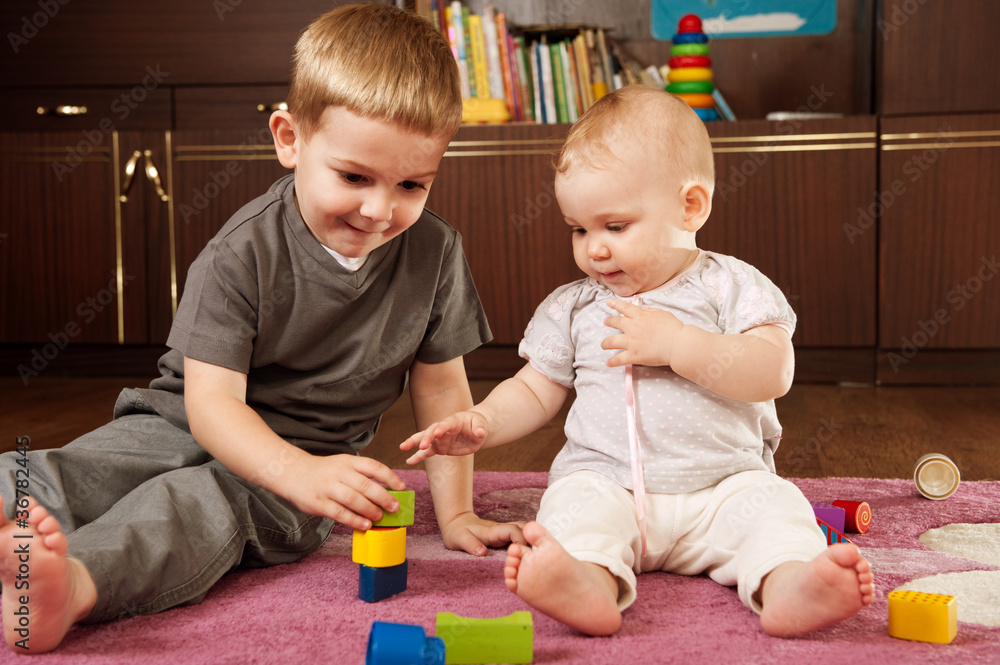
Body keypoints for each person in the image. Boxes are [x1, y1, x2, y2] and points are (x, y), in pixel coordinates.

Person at [0, 4, 524, 654]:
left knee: (195, 506)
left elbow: (444, 394)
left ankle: (73, 582)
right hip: (182, 419)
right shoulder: (239, 253)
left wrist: (456, 513)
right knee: (83, 468)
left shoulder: (436, 253)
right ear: (290, 138)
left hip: (308, 462)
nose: (380, 210)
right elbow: (212, 403)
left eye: (413, 183)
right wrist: (292, 468)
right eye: (354, 176)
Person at [401, 85, 875, 638]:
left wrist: (680, 345)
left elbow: (773, 370)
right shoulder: (575, 305)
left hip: (723, 489)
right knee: (572, 512)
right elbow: (535, 389)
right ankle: (586, 585)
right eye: (578, 229)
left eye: (615, 226)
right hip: (608, 484)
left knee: (776, 511)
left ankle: (791, 585)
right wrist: (482, 423)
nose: (593, 249)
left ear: (689, 207)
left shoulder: (730, 286)